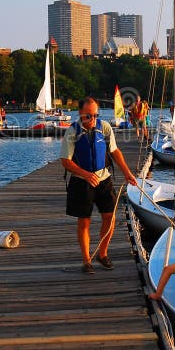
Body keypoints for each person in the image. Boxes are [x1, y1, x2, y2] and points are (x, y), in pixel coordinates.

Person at [60, 97, 138, 274]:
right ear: (80, 113)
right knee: (84, 222)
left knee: (109, 219)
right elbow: (65, 161)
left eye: (95, 115)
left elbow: (115, 151)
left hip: (104, 179)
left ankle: (102, 254)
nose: (92, 119)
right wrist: (86, 175)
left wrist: (127, 173)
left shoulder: (104, 128)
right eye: (88, 116)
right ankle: (86, 260)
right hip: (81, 182)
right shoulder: (72, 132)